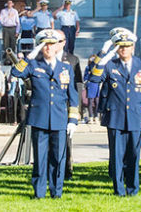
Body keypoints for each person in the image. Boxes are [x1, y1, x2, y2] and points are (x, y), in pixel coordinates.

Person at [11, 29, 79, 199]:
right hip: (39, 118)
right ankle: (39, 193)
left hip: (59, 118)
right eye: (44, 44)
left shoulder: (66, 68)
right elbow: (16, 72)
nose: (48, 47)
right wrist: (31, 55)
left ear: (57, 46)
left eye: (51, 44)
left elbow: (73, 95)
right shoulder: (34, 65)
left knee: (58, 158)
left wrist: (73, 120)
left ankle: (56, 192)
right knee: (40, 158)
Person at [90, 30, 141, 197]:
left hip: (135, 117)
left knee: (133, 156)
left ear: (133, 47)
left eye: (127, 46)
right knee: (117, 157)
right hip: (115, 118)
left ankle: (133, 189)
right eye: (120, 47)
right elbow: (94, 78)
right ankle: (118, 190)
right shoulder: (110, 66)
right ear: (116, 49)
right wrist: (104, 56)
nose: (124, 50)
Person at [54, 30, 83, 179]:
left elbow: (78, 85)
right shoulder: (42, 59)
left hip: (65, 107)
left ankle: (66, 170)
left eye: (58, 41)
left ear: (64, 42)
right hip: (50, 106)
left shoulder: (72, 60)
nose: (54, 44)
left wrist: (77, 110)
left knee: (66, 141)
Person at [84, 54, 101, 124]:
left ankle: (96, 117)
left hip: (97, 85)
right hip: (90, 85)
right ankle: (91, 117)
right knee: (90, 102)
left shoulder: (98, 67)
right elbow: (85, 77)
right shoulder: (88, 67)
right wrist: (87, 82)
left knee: (97, 101)